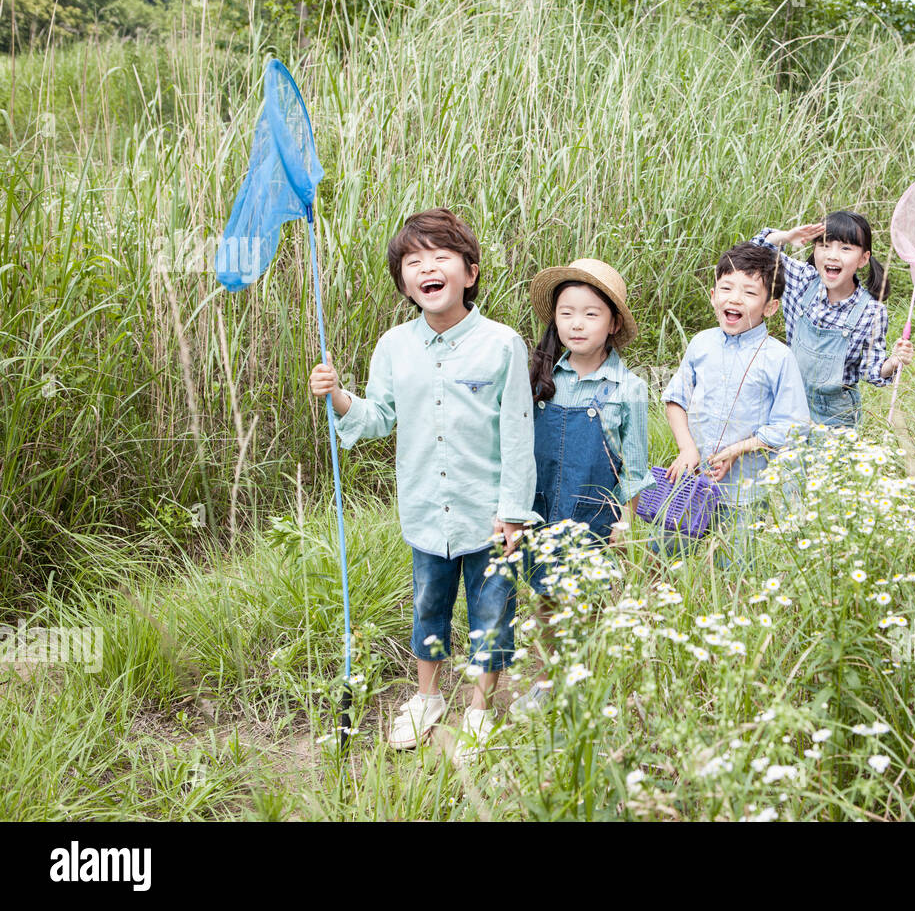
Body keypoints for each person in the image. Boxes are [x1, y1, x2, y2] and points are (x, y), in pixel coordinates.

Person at [308, 208, 539, 757]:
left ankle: (481, 707)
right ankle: (427, 697)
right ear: (404, 282)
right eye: (414, 261)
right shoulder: (393, 346)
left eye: (441, 258)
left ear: (470, 273)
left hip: (487, 513)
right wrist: (336, 394)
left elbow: (517, 433)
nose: (427, 269)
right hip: (424, 509)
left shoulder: (502, 343)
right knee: (428, 606)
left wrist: (513, 510)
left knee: (491, 611)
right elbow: (377, 417)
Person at [508, 259, 653, 718]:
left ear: (612, 323)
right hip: (543, 505)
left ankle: (587, 679)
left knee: (587, 600)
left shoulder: (627, 387)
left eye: (591, 313)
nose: (577, 323)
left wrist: (627, 521)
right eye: (567, 311)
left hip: (594, 510)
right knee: (546, 596)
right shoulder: (538, 378)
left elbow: (635, 465)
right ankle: (551, 678)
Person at [659, 242, 810, 564]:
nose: (735, 299)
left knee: (737, 568)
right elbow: (675, 400)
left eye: (750, 293)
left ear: (770, 307)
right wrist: (687, 448)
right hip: (692, 481)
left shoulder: (778, 357)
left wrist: (736, 450)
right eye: (727, 288)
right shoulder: (702, 344)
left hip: (745, 492)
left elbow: (792, 426)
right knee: (666, 556)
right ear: (713, 294)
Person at [752, 212, 914, 428]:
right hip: (790, 398)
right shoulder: (801, 280)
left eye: (845, 248)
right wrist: (785, 237)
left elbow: (872, 371)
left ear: (863, 259)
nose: (832, 255)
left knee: (829, 462)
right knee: (786, 459)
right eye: (825, 245)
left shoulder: (871, 312)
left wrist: (893, 362)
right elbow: (756, 254)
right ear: (814, 249)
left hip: (835, 416)